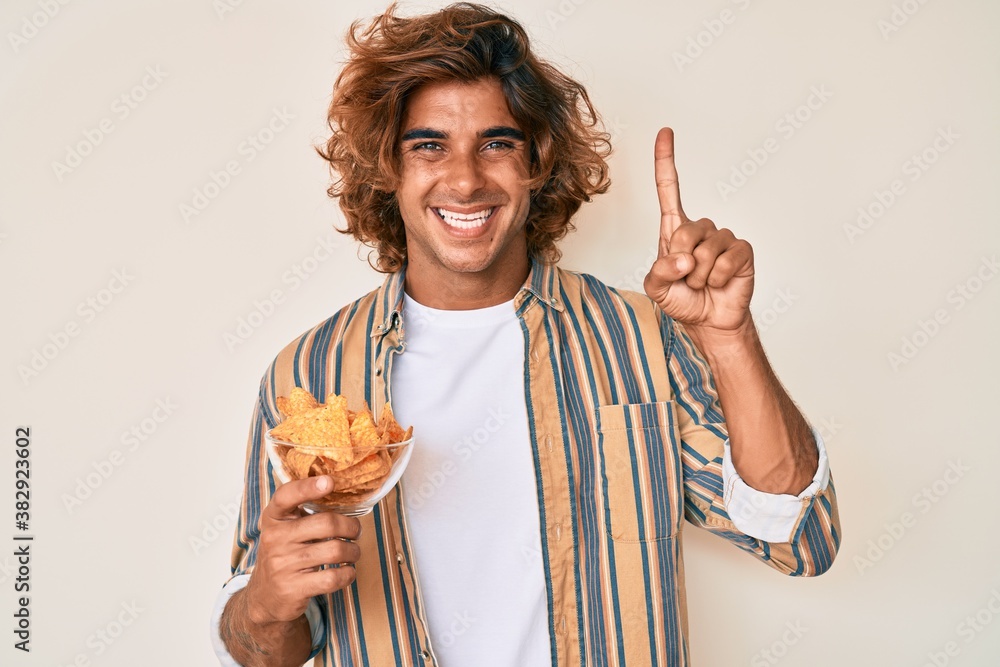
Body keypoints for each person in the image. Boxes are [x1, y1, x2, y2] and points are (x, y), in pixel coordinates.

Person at [211, 3, 840, 665]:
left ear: (537, 162)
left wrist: (730, 337)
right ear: (386, 168)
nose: (464, 177)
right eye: (429, 145)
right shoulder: (308, 374)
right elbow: (262, 648)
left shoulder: (639, 339)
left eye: (497, 142)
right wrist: (263, 602)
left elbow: (799, 541)